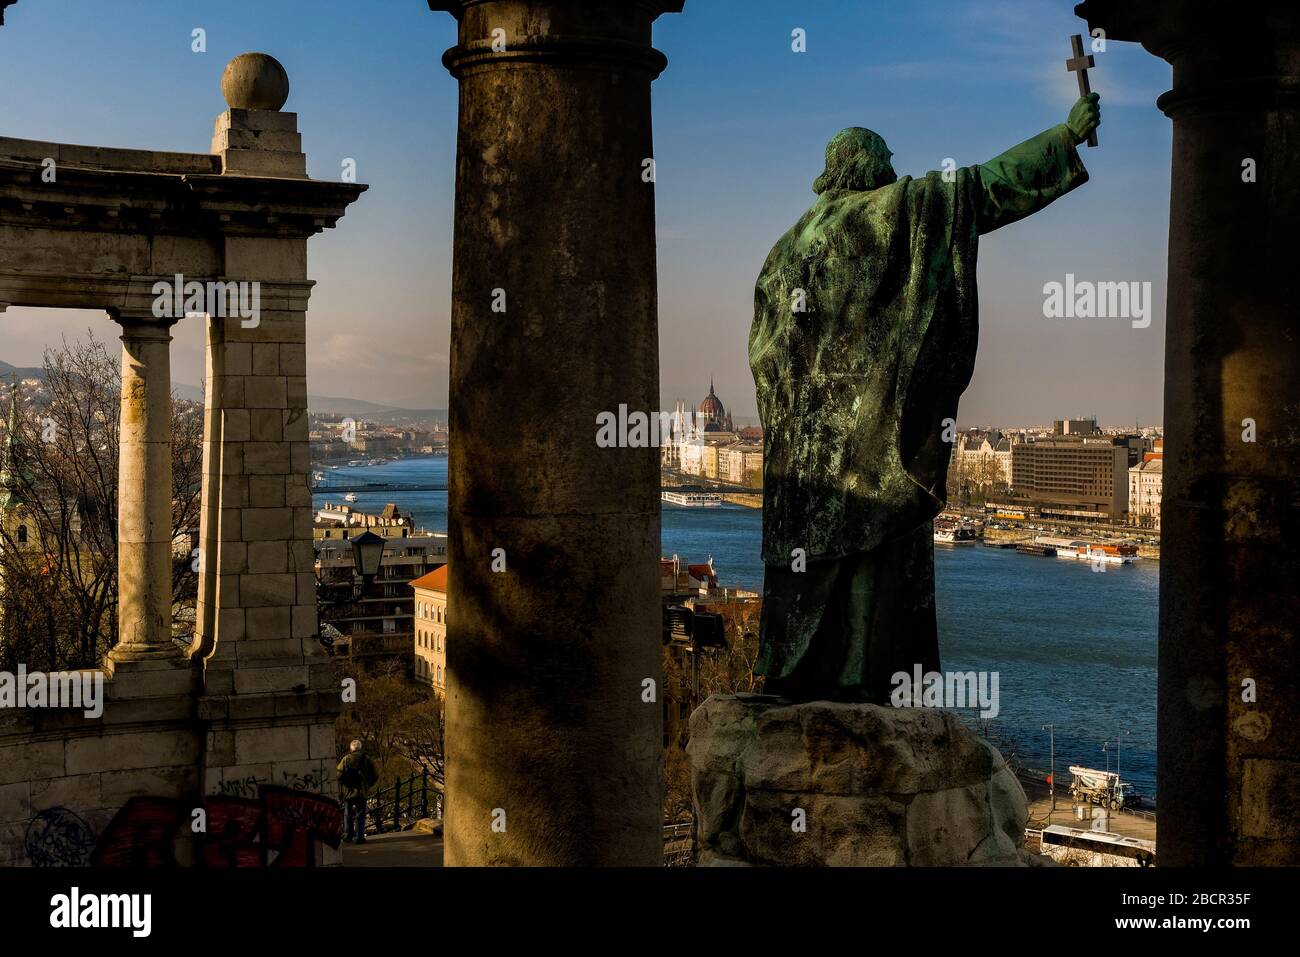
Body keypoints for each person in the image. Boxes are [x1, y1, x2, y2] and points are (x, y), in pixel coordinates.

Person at [750, 94, 1101, 703]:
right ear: (867, 167)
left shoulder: (783, 251)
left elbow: (764, 353)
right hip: (876, 437)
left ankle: (796, 673)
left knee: (812, 565)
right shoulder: (897, 210)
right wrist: (1063, 138)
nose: (894, 167)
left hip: (804, 459)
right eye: (886, 158)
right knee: (880, 554)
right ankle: (870, 683)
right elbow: (987, 188)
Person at [337, 739, 379, 844]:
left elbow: (338, 775)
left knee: (347, 814)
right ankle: (359, 837)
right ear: (360, 748)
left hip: (349, 791)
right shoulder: (367, 759)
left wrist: (345, 784)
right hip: (362, 791)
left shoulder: (346, 759)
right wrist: (367, 785)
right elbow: (375, 775)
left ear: (351, 748)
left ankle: (347, 836)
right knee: (360, 814)